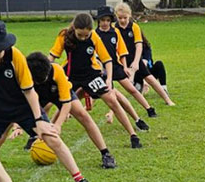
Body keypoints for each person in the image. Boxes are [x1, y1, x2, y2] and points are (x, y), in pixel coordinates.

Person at [0, 19, 101, 182]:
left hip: (23, 107)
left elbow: (30, 92)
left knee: (53, 138)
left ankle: (79, 181)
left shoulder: (15, 57)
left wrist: (39, 121)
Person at [50, 12, 145, 150]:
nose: (83, 38)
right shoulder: (64, 36)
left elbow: (107, 60)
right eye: (80, 35)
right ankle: (45, 133)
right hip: (70, 76)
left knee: (112, 99)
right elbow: (52, 57)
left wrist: (108, 79)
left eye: (86, 35)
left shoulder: (94, 36)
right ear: (74, 28)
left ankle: (133, 135)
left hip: (91, 75)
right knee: (61, 102)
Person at [26, 48, 119, 170]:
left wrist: (58, 125)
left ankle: (105, 153)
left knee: (84, 116)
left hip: (58, 92)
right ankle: (32, 136)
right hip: (36, 95)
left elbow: (66, 103)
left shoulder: (57, 70)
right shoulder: (24, 75)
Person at [98, 5, 155, 128]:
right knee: (111, 95)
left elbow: (122, 51)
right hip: (102, 69)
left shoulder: (115, 32)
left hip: (116, 66)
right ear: (98, 21)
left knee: (132, 89)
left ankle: (149, 108)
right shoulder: (94, 35)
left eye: (108, 20)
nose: (105, 23)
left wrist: (124, 67)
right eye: (102, 20)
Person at [116, 3, 177, 108]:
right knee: (121, 85)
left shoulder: (134, 27)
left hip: (135, 58)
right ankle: (113, 109)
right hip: (121, 61)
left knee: (150, 79)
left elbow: (139, 45)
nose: (122, 20)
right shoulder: (114, 28)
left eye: (125, 18)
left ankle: (167, 100)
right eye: (120, 18)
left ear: (129, 15)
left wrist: (136, 62)